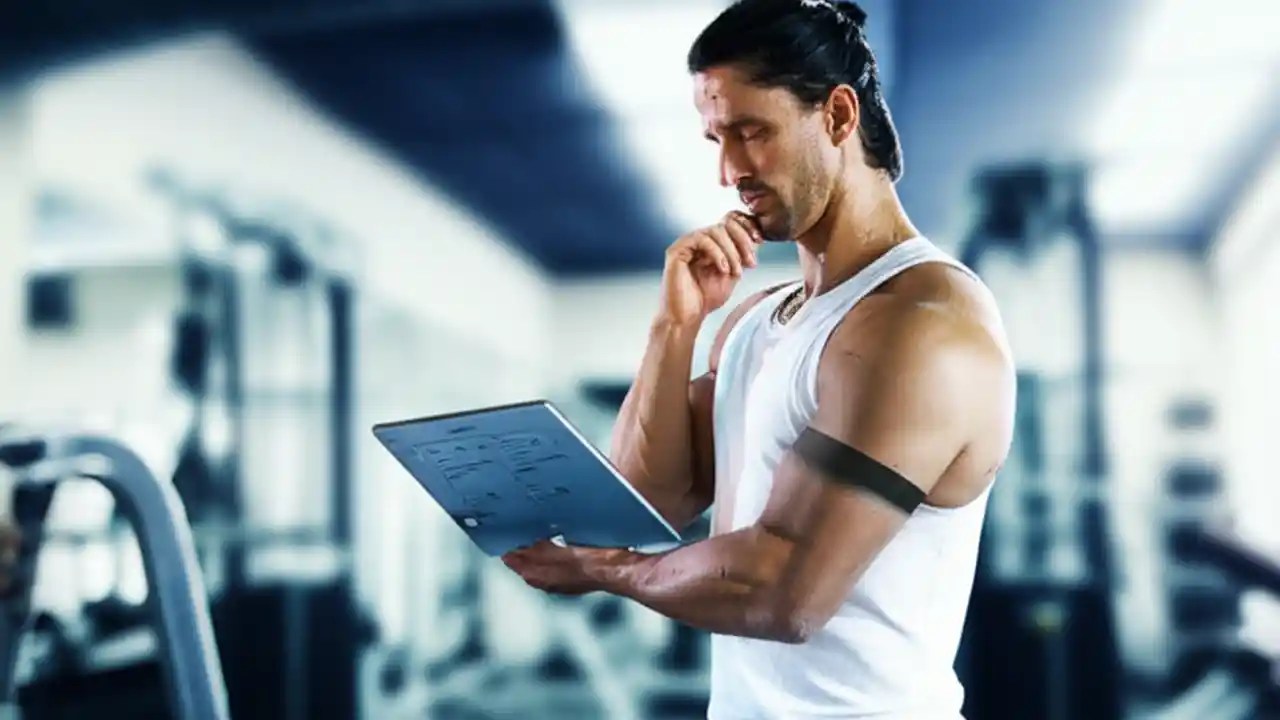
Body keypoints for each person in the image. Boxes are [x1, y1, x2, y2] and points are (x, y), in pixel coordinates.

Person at [501, 1, 1016, 717]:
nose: (728, 171)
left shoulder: (920, 324)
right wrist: (675, 326)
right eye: (717, 137)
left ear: (837, 116)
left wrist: (611, 574)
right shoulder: (762, 317)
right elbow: (644, 502)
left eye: (751, 133)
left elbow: (785, 593)